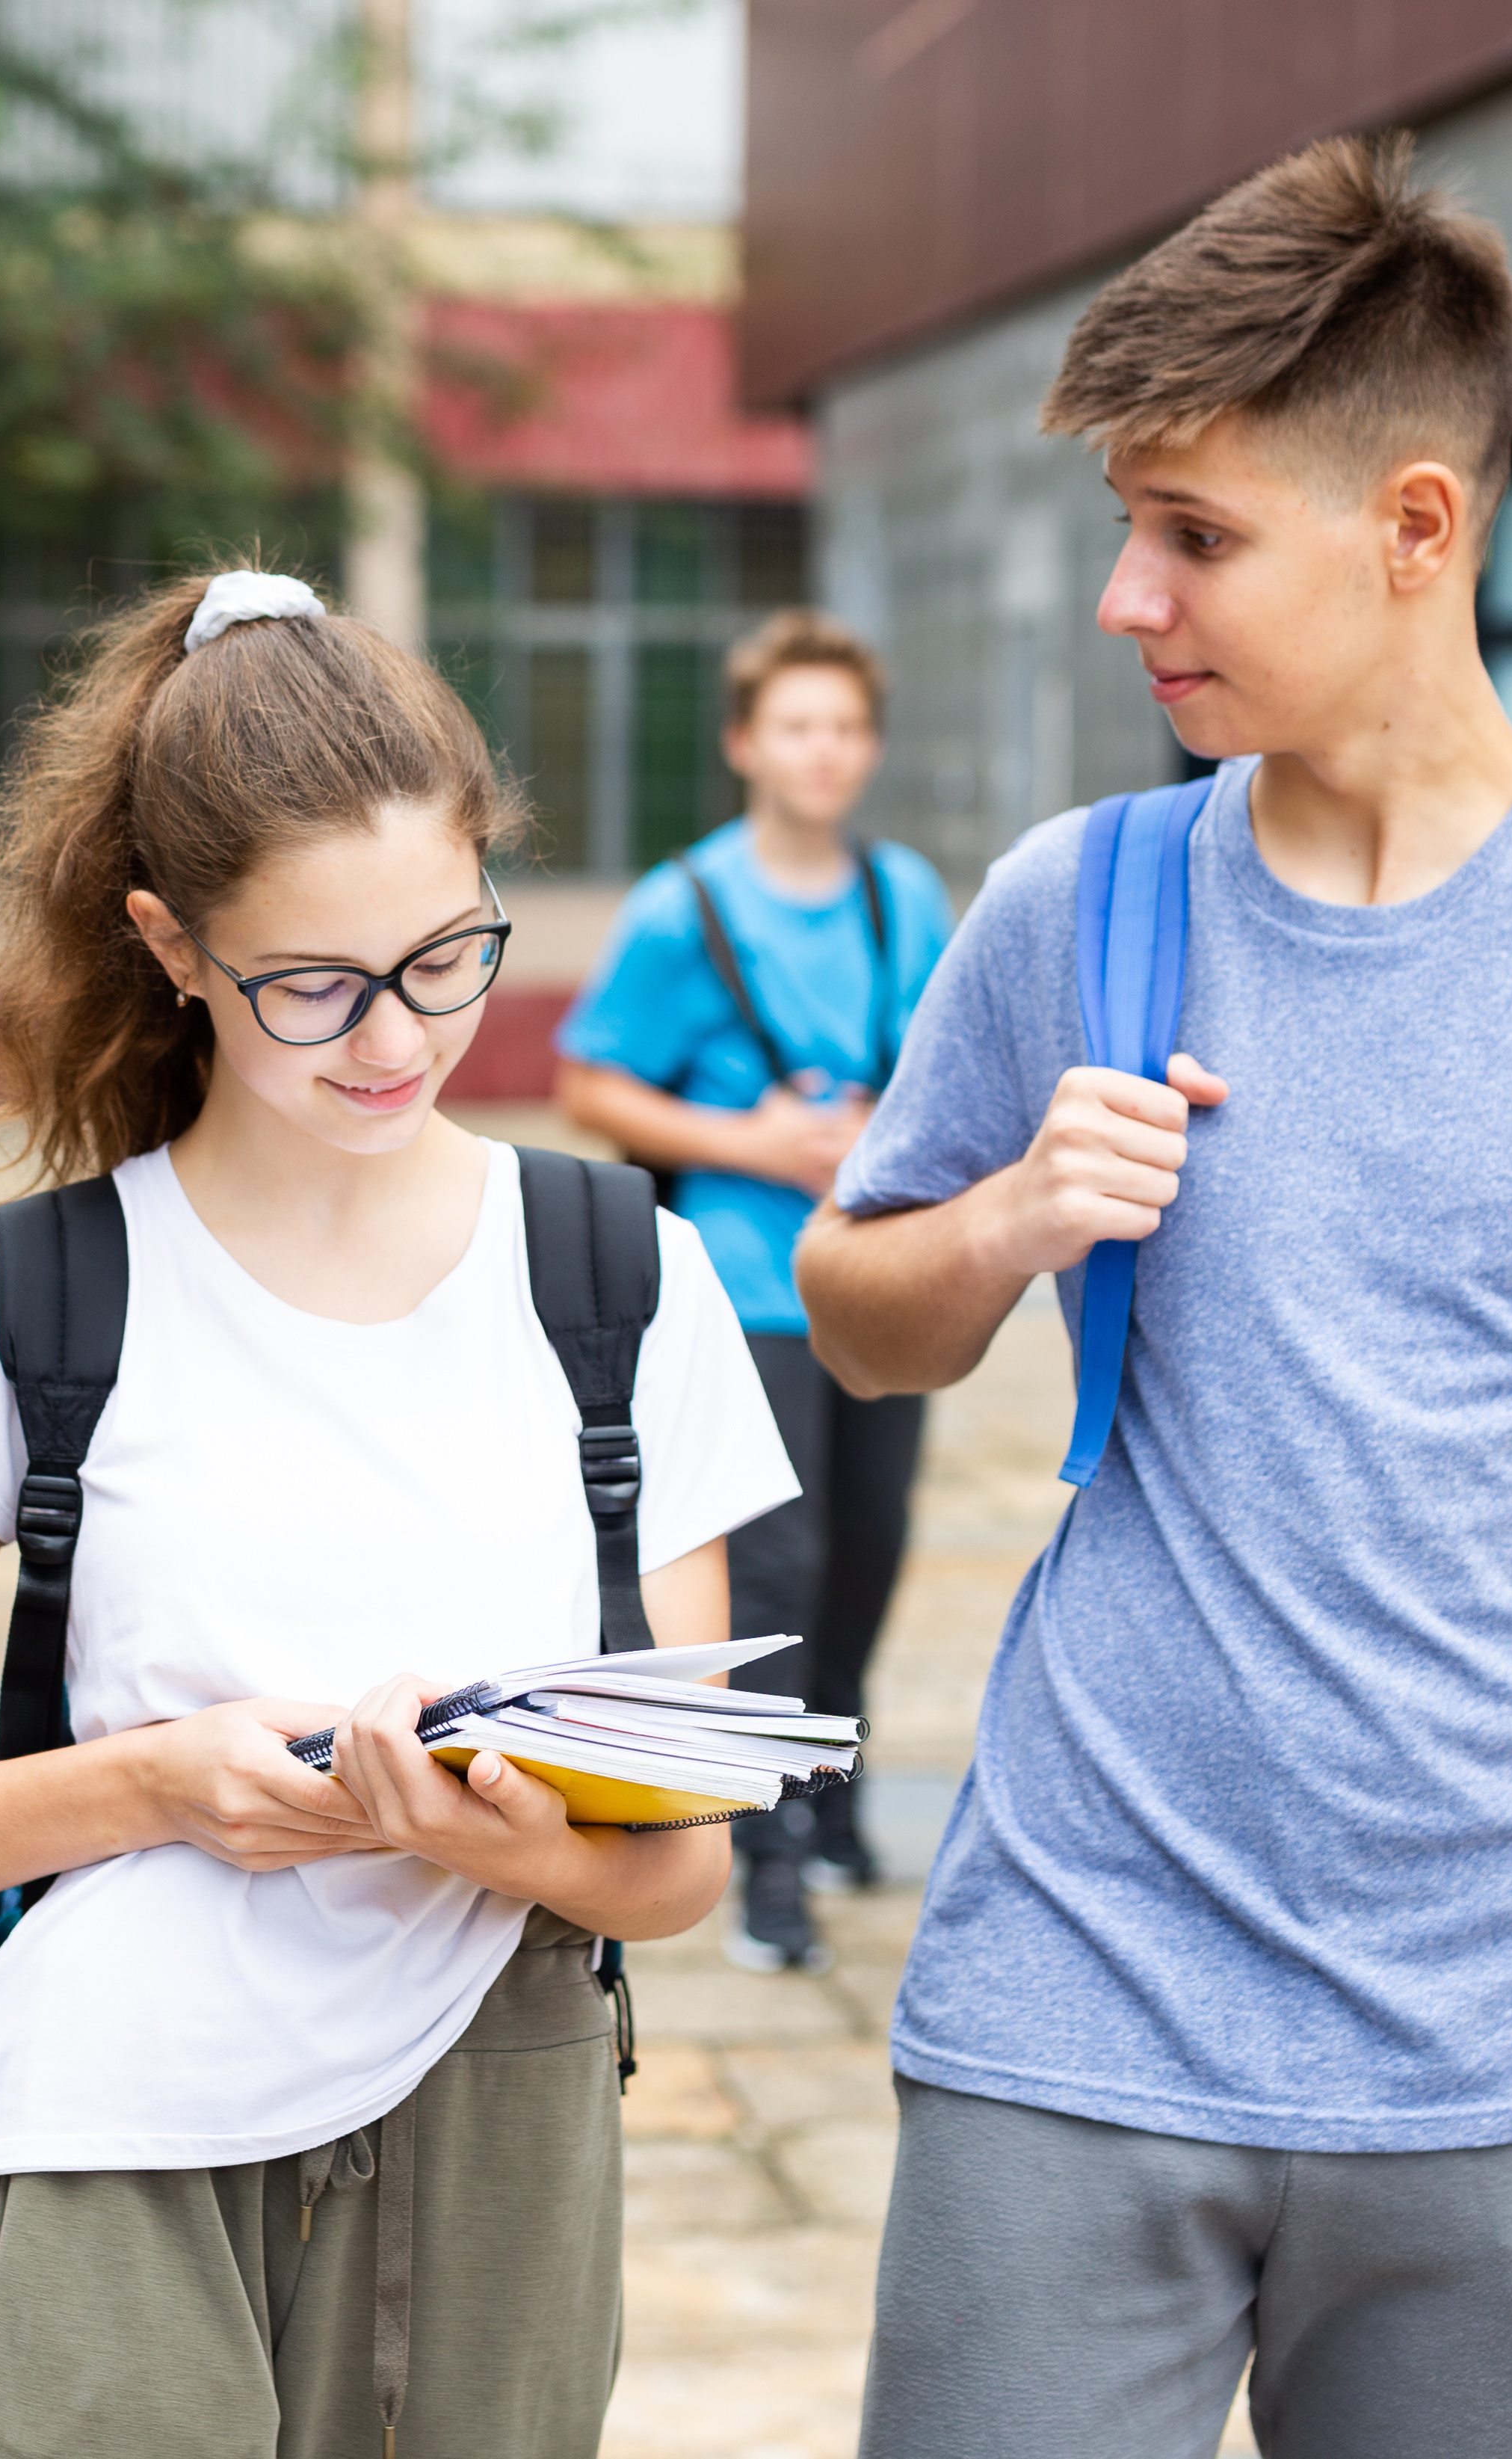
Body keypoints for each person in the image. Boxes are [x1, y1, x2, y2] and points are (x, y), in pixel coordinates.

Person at [793, 138, 1512, 2453]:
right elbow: (855, 1309)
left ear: (1414, 526)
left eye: (1190, 534)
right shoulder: (1074, 908)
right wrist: (1002, 1222)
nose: (1126, 596)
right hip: (1072, 2002)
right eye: (1127, 528)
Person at [0, 570, 794, 2459]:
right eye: (313, 987)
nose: (392, 1039)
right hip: (115, 2117)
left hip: (504, 2100)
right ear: (170, 944)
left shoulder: (623, 1283)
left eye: (445, 958)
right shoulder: (41, 1299)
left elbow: (683, 1869)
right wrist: (154, 1784)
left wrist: (484, 1837)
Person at [553, 610, 951, 1972]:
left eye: (845, 726)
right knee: (775, 1564)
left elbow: (944, 1071)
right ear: (743, 742)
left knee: (874, 1543)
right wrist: (756, 1142)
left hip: (878, 1273)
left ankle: (830, 1795)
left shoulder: (909, 897)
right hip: (742, 1286)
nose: (823, 751)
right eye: (796, 724)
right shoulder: (686, 907)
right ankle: (766, 1856)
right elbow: (590, 1080)